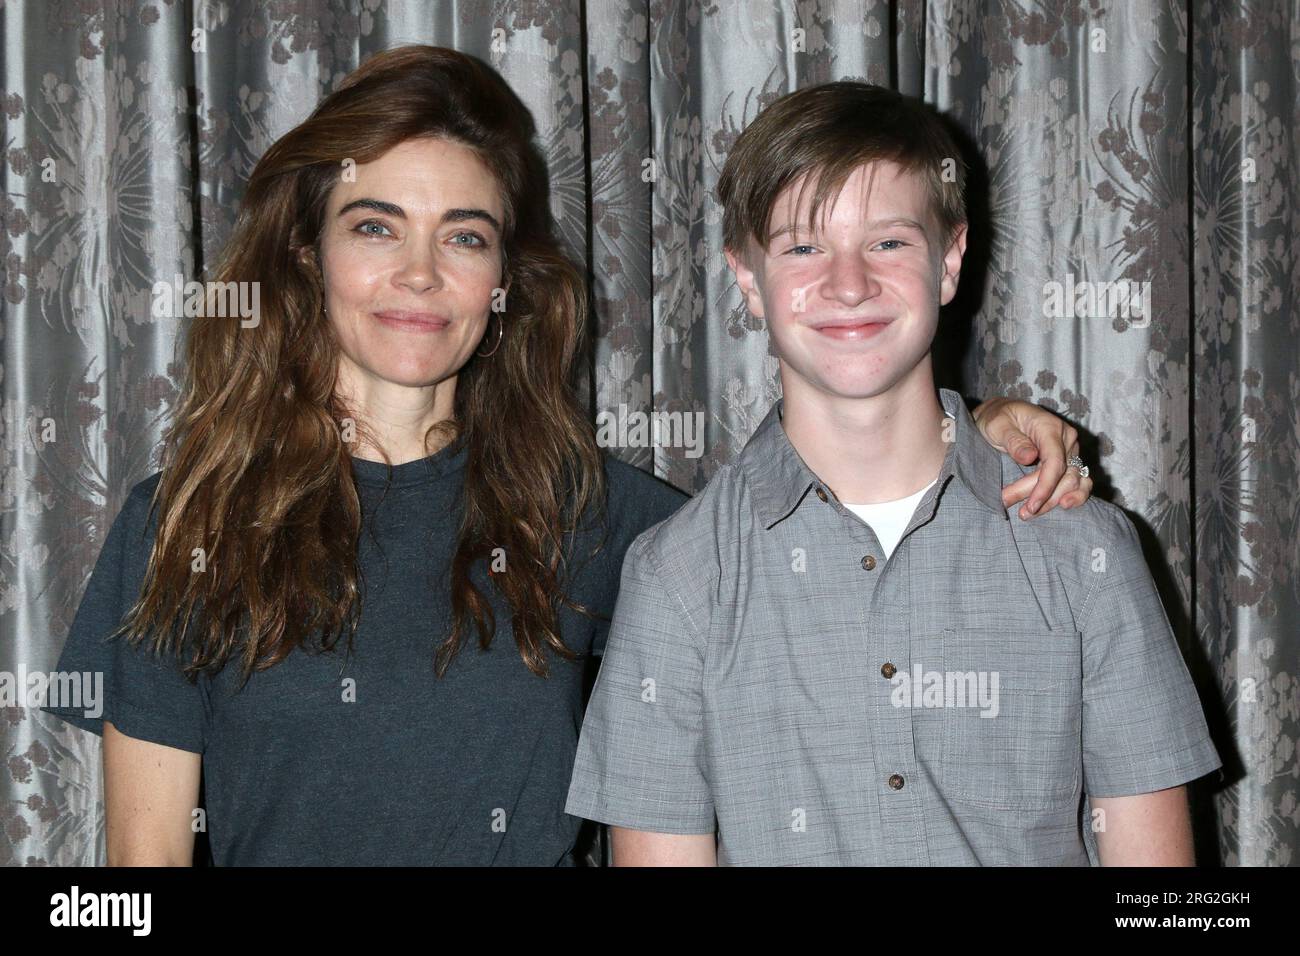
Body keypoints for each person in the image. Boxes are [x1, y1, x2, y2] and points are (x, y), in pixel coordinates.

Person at [46, 50, 1093, 866]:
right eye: (376, 226)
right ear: (306, 252)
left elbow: (825, 498)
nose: (419, 273)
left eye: (463, 235)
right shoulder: (181, 520)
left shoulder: (591, 512)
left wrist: (974, 419)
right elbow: (140, 869)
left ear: (505, 273)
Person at [565, 81, 1220, 866]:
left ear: (948, 262)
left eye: (888, 243)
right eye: (804, 247)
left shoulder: (1086, 549)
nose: (849, 284)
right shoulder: (675, 578)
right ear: (747, 279)